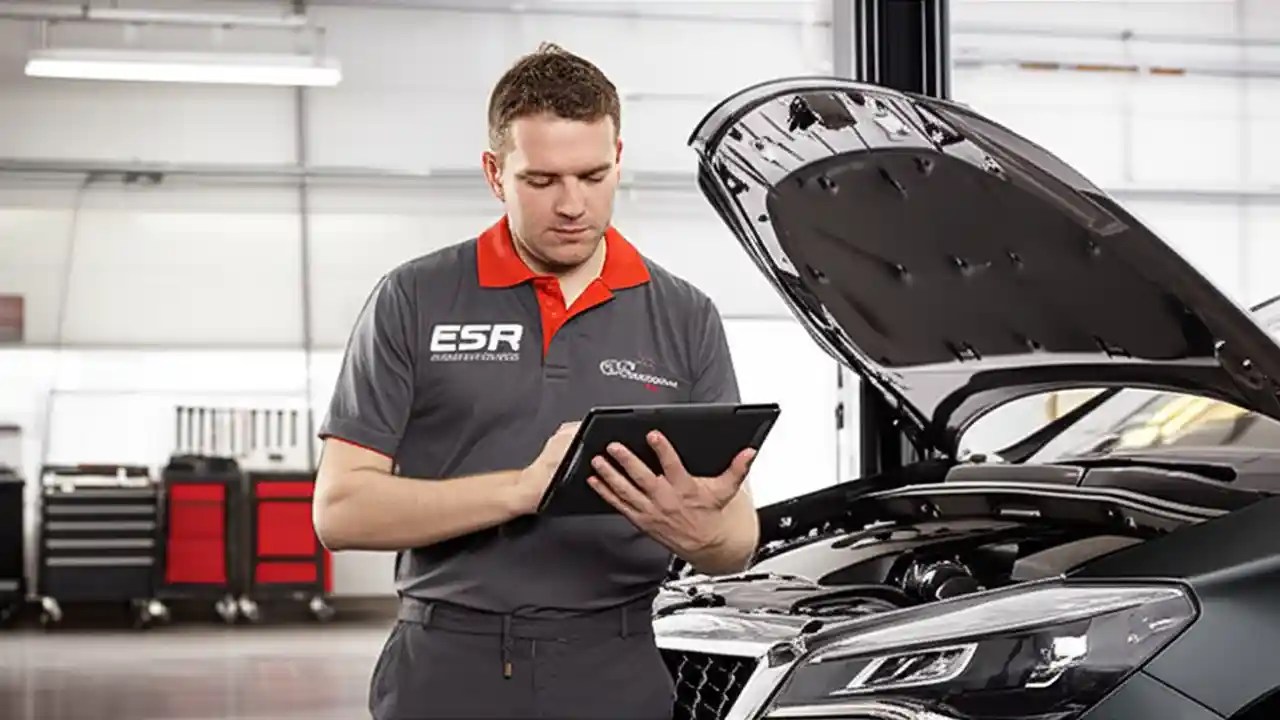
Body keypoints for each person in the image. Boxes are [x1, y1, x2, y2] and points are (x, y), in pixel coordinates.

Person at [312, 42, 760, 720]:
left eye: (592, 174)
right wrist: (523, 490)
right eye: (542, 180)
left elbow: (736, 541)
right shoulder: (414, 298)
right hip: (445, 666)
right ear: (496, 174)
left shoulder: (684, 315)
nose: (573, 204)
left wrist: (699, 534)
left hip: (615, 664)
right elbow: (339, 511)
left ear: (618, 160)